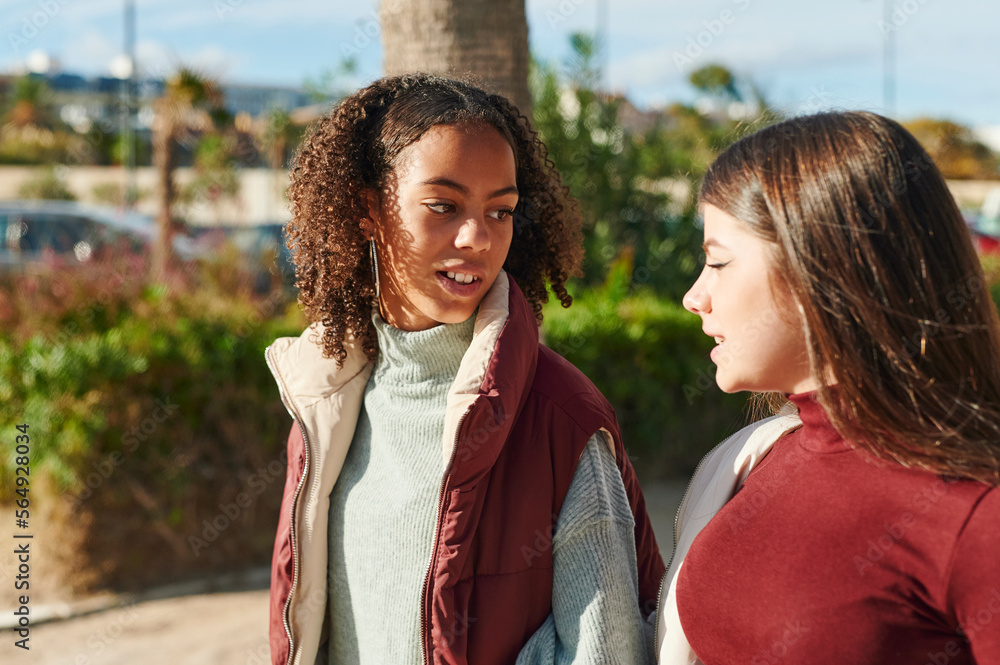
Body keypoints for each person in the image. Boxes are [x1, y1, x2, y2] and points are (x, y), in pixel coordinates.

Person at [264, 73, 666, 665]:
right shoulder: (324, 399)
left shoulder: (560, 418)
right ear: (367, 207)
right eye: (443, 206)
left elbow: (607, 654)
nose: (477, 236)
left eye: (500, 212)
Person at [655, 111, 1000, 664]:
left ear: (820, 267)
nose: (695, 296)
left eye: (718, 260)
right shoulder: (759, 459)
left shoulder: (974, 508)